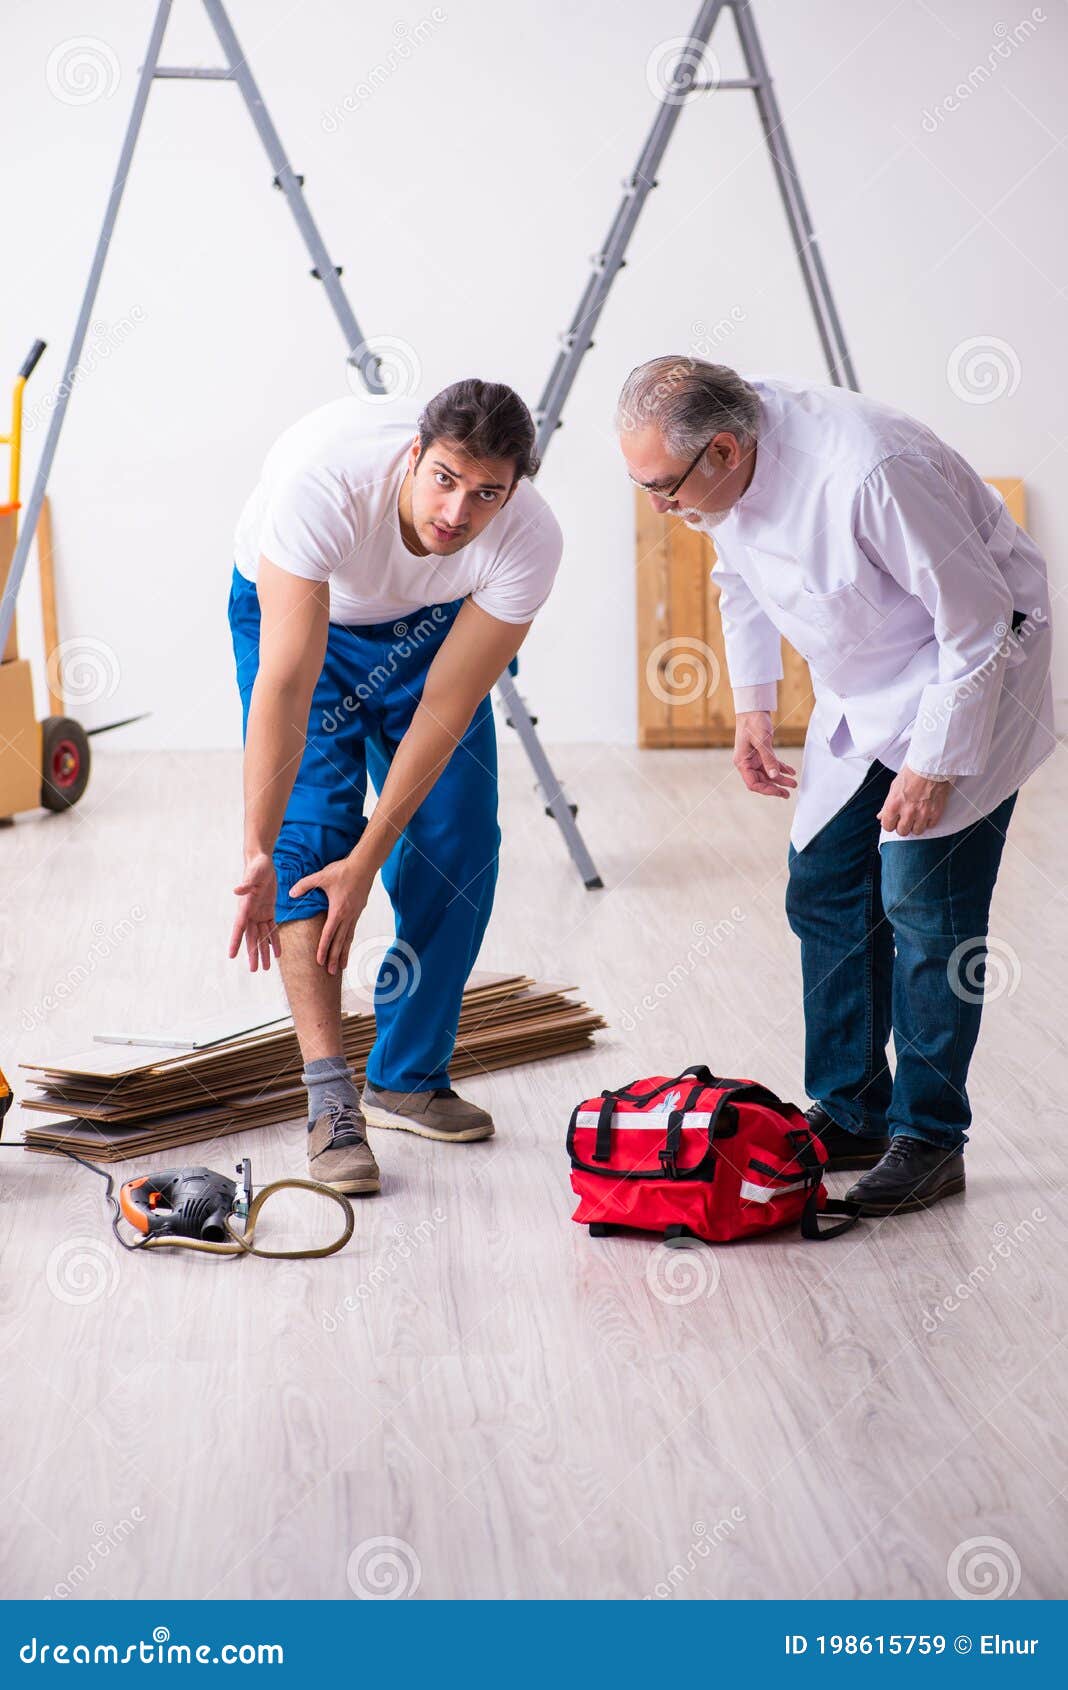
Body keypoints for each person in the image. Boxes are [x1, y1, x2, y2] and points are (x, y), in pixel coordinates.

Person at [617, 357, 1054, 1216]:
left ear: (725, 450)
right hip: (868, 684)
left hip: (972, 674)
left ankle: (929, 1140)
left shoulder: (869, 472)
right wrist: (753, 706)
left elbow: (977, 617)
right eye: (643, 486)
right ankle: (854, 1109)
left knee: (925, 905)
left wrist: (933, 762)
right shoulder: (713, 473)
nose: (659, 507)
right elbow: (737, 575)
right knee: (824, 885)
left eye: (664, 487)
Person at [227, 379, 562, 1196]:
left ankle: (407, 1076)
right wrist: (258, 850)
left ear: (514, 490)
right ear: (414, 455)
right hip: (306, 623)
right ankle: (329, 1097)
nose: (456, 511)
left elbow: (445, 712)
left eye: (486, 493)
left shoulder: (528, 540)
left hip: (432, 633)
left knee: (460, 842)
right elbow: (286, 683)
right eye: (444, 478)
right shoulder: (328, 483)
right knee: (312, 840)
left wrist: (373, 858)